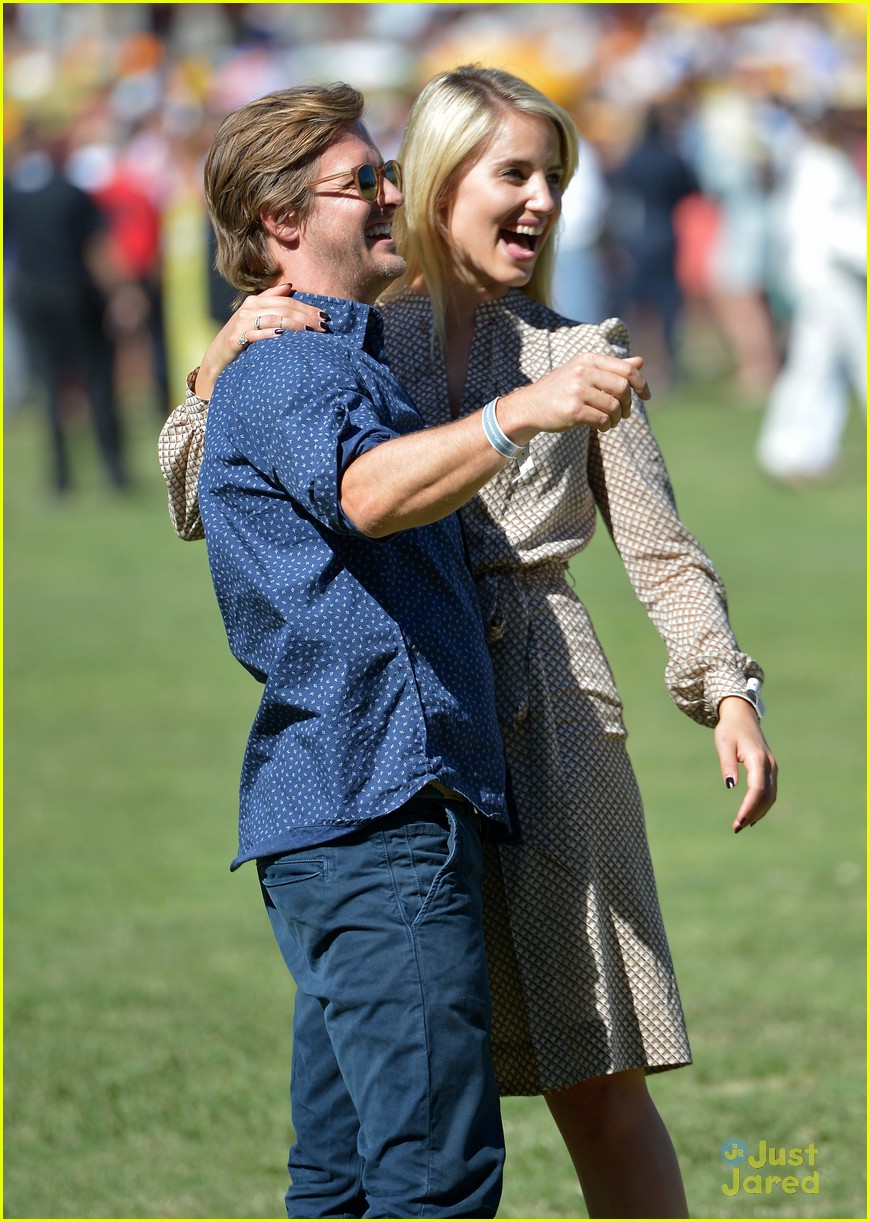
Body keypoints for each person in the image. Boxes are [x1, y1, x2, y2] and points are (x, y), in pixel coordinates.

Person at [159, 68, 777, 1218]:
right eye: (515, 173)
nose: (543, 199)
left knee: (598, 1070)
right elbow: (210, 491)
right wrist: (215, 368)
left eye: (556, 177)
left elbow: (660, 550)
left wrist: (726, 687)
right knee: (401, 1101)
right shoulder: (343, 334)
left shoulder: (574, 349)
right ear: (438, 182)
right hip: (402, 738)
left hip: (551, 726)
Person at [756, 104, 866, 482]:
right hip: (829, 281)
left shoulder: (812, 163)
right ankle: (792, 451)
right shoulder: (824, 166)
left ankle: (801, 452)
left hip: (821, 279)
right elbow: (833, 230)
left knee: (817, 366)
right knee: (834, 364)